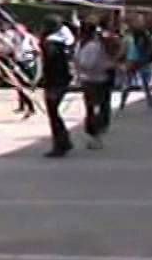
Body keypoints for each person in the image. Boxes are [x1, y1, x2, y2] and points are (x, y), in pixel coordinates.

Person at [75, 20, 115, 150]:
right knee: (99, 107)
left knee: (93, 109)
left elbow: (89, 64)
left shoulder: (91, 46)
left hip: (93, 80)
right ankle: (97, 133)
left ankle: (95, 136)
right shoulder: (97, 44)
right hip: (99, 78)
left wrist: (77, 64)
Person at [41, 15, 75, 157]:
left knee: (53, 113)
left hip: (54, 82)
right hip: (61, 80)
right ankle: (63, 141)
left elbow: (51, 64)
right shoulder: (63, 41)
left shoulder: (51, 44)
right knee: (54, 113)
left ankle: (61, 143)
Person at [119, 15, 152, 112]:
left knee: (144, 83)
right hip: (132, 60)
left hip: (141, 59)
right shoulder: (130, 34)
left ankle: (150, 102)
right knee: (128, 83)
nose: (139, 23)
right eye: (138, 21)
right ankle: (122, 103)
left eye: (140, 21)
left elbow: (150, 46)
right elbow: (124, 48)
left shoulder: (144, 34)